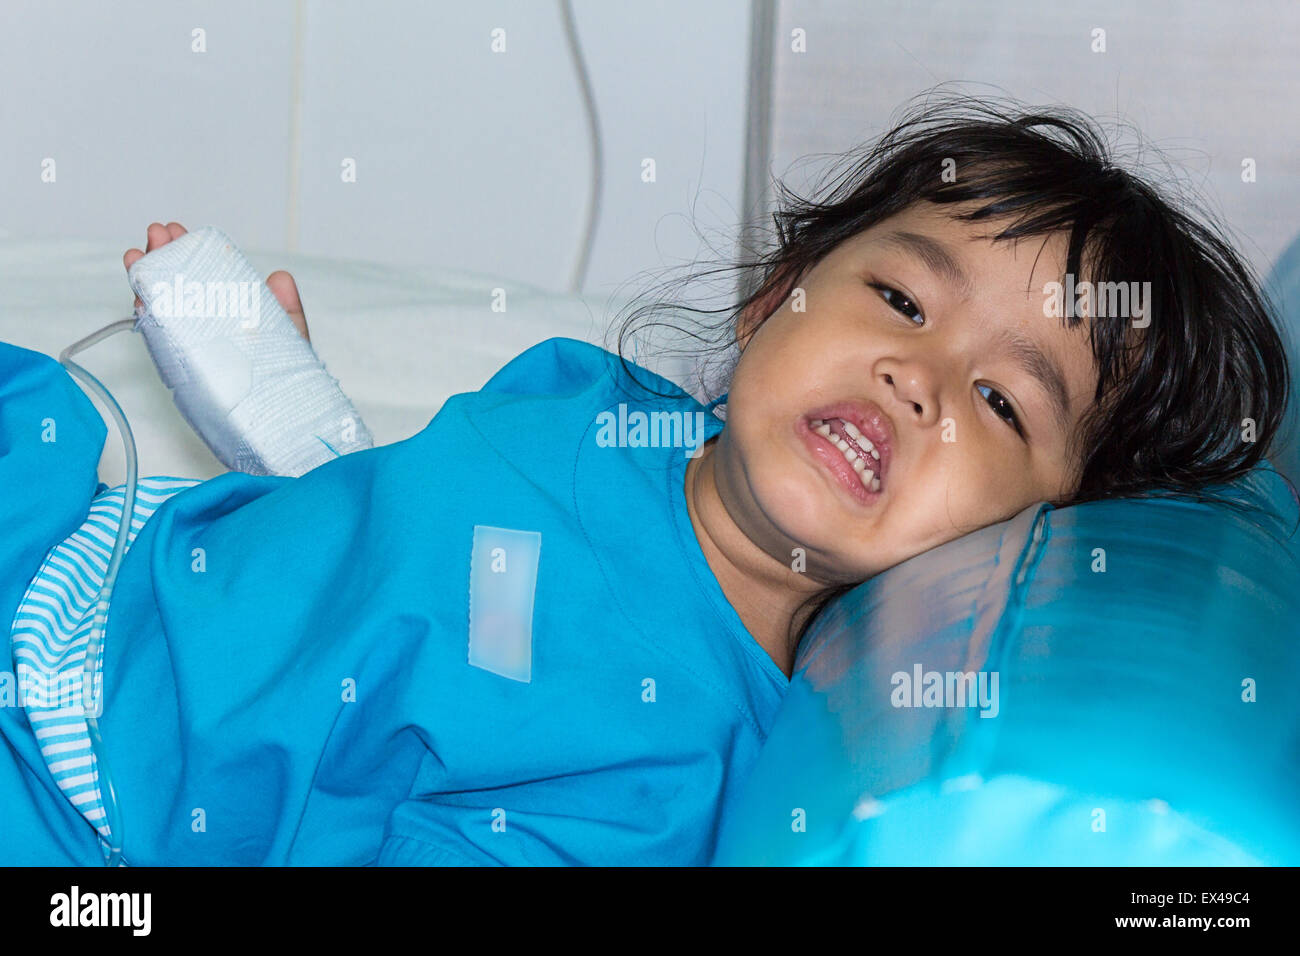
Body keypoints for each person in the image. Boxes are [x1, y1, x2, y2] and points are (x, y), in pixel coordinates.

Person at [2, 95, 1290, 866]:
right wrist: (286, 404)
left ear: (1020, 543)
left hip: (85, 776)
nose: (918, 376)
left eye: (1004, 403)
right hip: (85, 553)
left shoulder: (673, 768)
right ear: (775, 300)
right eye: (899, 297)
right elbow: (427, 546)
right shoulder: (602, 404)